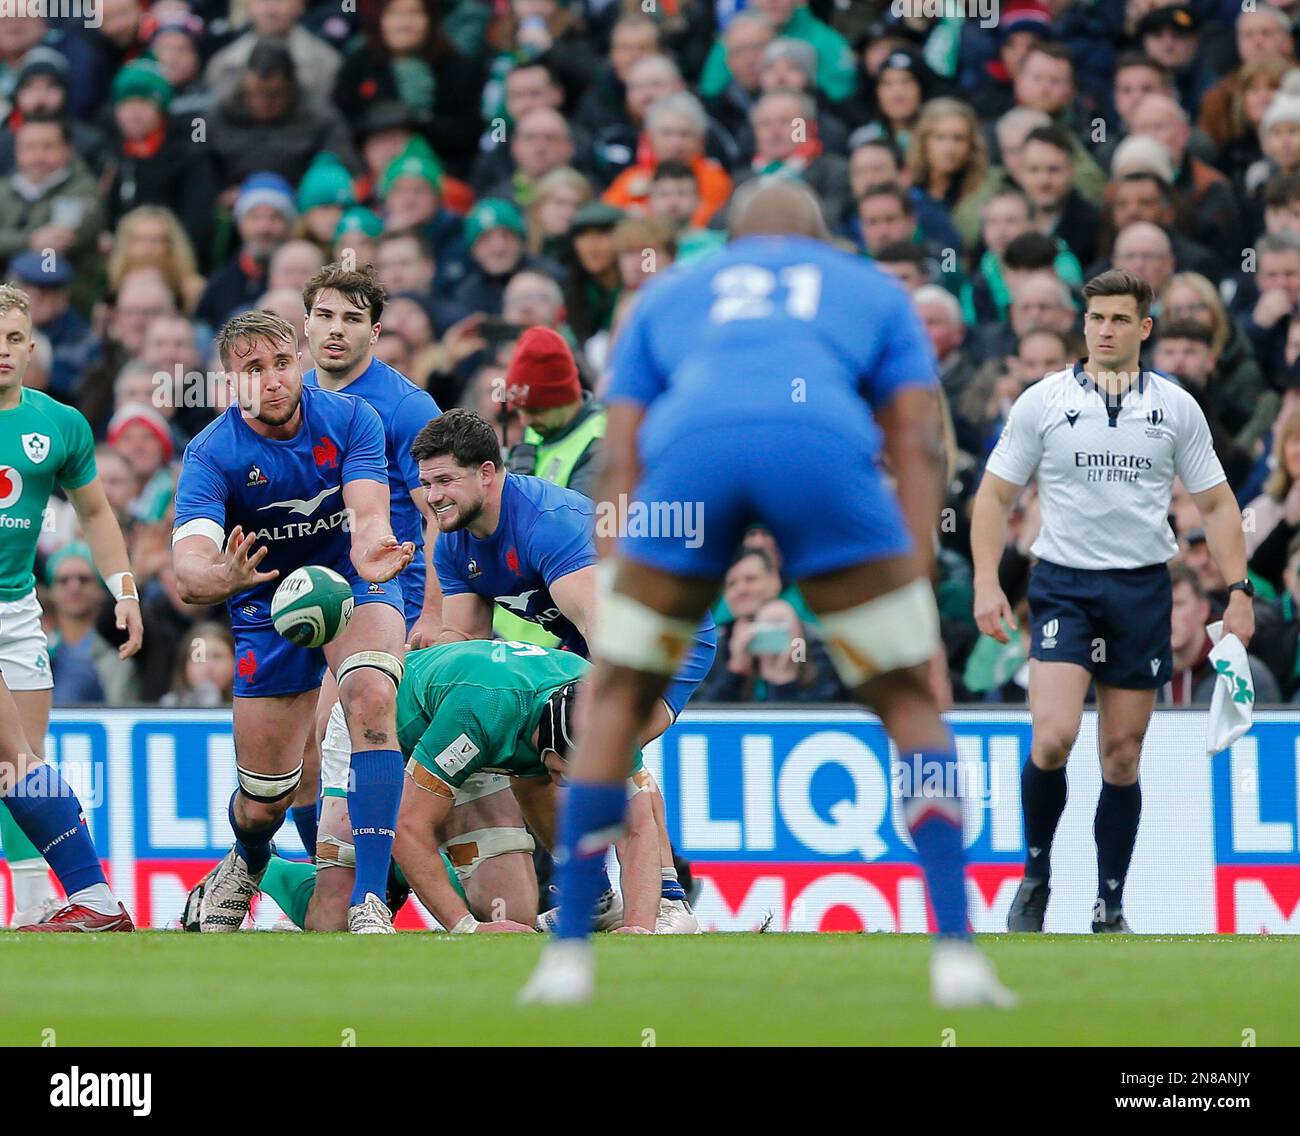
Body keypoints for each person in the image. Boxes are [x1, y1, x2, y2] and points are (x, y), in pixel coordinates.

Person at [519, 179, 1014, 1008]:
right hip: (820, 451)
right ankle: (957, 953)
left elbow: (623, 449)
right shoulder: (869, 289)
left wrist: (619, 570)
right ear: (820, 238)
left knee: (614, 700)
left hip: (691, 459)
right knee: (911, 699)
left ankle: (567, 954)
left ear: (731, 242)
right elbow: (919, 439)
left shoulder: (668, 292)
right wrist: (914, 565)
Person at [971, 268, 1255, 935]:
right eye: (1096, 318)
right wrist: (988, 580)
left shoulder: (1175, 407)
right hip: (1063, 584)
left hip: (1140, 588)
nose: (1105, 329)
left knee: (1122, 756)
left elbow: (1216, 503)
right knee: (1052, 737)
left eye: (1120, 319)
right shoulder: (1042, 402)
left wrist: (1237, 590)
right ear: (1084, 323)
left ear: (1143, 328)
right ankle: (1036, 877)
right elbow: (992, 496)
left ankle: (1110, 902)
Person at [413, 408, 716, 934]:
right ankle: (595, 893)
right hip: (582, 639)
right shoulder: (455, 538)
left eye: (444, 481)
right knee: (527, 755)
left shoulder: (549, 526)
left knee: (609, 747)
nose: (433, 496)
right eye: (425, 483)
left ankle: (669, 902)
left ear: (487, 472)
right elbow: (465, 642)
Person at [170, 309, 415, 935]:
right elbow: (189, 567)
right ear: (231, 383)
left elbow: (367, 516)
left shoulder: (352, 419)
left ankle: (369, 900)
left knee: (369, 700)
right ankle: (249, 861)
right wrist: (220, 578)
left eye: (282, 363)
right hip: (261, 607)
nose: (274, 379)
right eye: (254, 369)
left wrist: (370, 553)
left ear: (299, 362)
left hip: (353, 583)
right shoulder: (211, 454)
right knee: (264, 800)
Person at [292, 261, 443, 922]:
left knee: (348, 720)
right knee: (295, 753)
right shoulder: (287, 395)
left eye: (352, 319)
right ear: (306, 322)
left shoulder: (406, 407)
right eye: (325, 315)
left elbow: (441, 512)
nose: (336, 330)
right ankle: (330, 877)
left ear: (375, 332)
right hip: (302, 598)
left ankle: (370, 896)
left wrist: (433, 610)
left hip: (381, 596)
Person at [0, 284, 142, 929]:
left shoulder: (60, 423)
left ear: (31, 347)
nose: (2, 352)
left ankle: (46, 906)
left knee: (17, 764)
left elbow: (94, 512)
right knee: (15, 759)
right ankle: (94, 896)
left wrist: (126, 589)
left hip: (18, 612)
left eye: (12, 339)